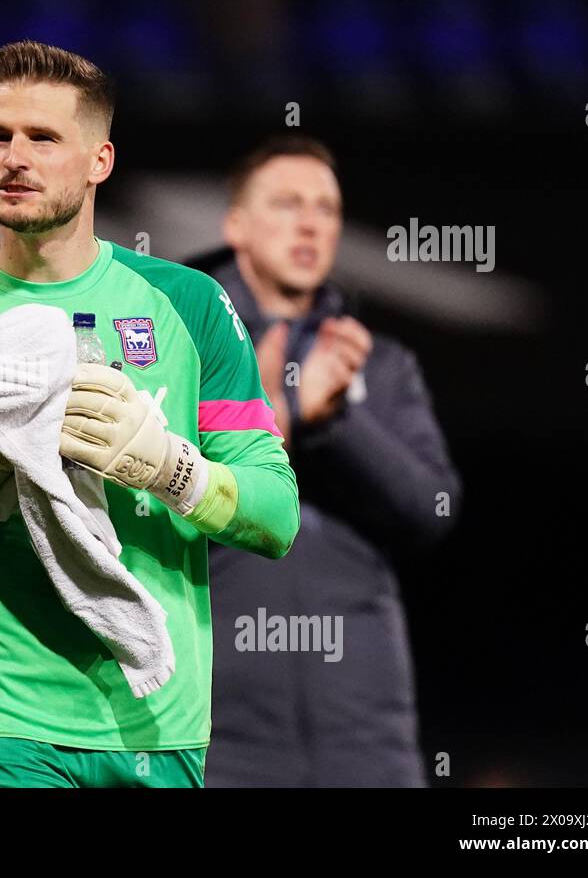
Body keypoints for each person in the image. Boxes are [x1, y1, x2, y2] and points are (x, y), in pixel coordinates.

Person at [0, 40, 299, 788]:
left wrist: (170, 469)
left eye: (43, 138)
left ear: (99, 161)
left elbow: (276, 516)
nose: (14, 156)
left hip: (158, 722)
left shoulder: (189, 304)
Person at [184, 135, 461, 787]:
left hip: (368, 745)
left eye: (326, 208)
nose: (310, 222)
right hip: (218, 743)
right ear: (236, 224)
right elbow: (138, 512)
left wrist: (335, 423)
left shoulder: (379, 363)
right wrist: (272, 423)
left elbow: (431, 512)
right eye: (286, 203)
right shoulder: (179, 349)